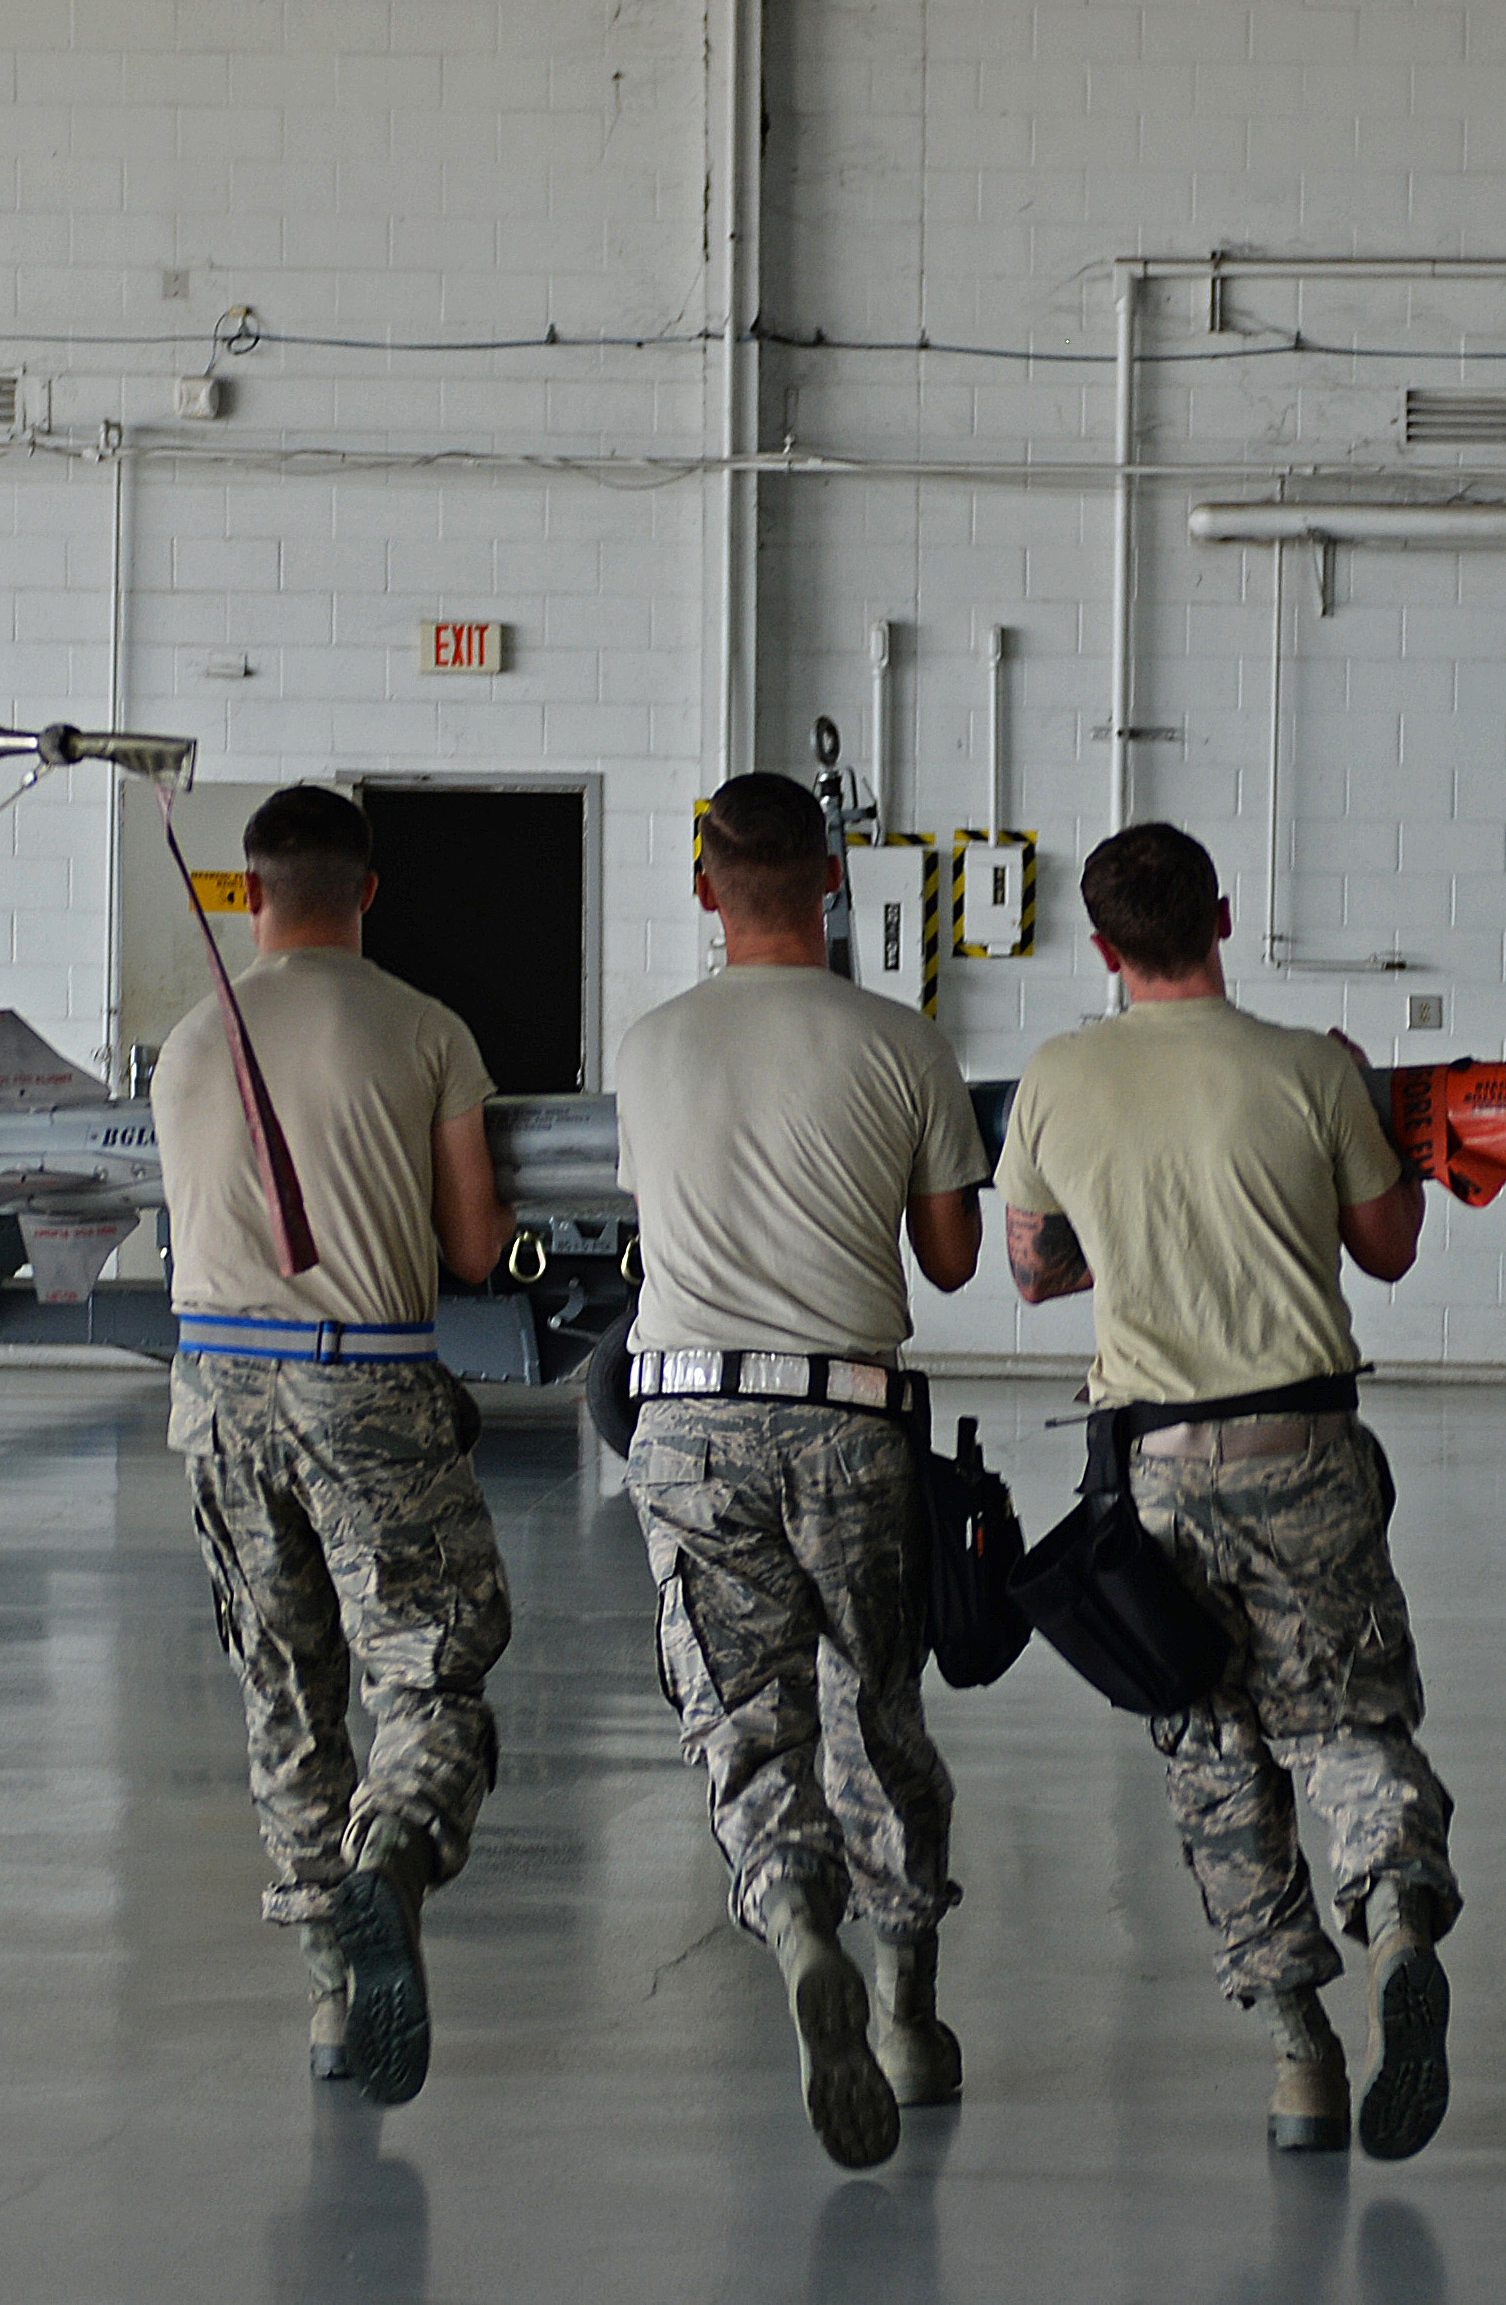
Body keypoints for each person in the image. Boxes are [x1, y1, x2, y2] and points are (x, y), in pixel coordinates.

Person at [994, 820, 1460, 2160]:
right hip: (1306, 1452)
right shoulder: (1314, 1069)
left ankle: (1299, 2058)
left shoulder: (1057, 1076)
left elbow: (1031, 1272)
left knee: (1214, 1753)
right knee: (1348, 1720)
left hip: (1159, 1472)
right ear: (1225, 915)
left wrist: (1143, 1242)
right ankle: (1397, 1914)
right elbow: (1389, 1248)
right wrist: (1347, 1142)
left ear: (1101, 946)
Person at [612, 769, 990, 2171]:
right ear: (834, 882)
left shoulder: (648, 1050)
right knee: (873, 1704)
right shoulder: (903, 1043)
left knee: (744, 1713)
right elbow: (948, 1259)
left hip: (690, 1415)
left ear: (705, 888)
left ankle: (793, 1927)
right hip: (847, 1412)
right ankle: (906, 2013)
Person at [153, 783, 514, 2107]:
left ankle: (327, 1990)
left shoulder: (188, 1040)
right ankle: (393, 1862)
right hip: (361, 1387)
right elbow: (474, 1249)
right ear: (368, 890)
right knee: (430, 1672)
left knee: (285, 1694)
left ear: (249, 897)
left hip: (215, 1395)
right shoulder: (423, 1029)